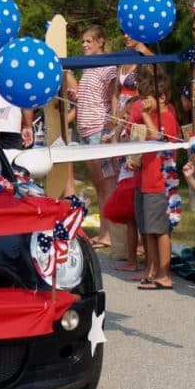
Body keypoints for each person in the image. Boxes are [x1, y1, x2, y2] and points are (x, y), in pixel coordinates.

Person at [127, 70, 180, 290]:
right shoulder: (156, 117)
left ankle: (164, 274)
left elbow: (160, 139)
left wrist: (147, 115)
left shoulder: (166, 117)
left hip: (160, 183)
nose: (144, 102)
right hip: (148, 180)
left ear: (161, 98)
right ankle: (154, 270)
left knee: (160, 230)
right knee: (149, 230)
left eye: (148, 97)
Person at [74, 24, 118, 249]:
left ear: (101, 41)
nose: (84, 45)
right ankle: (104, 231)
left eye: (89, 41)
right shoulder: (87, 67)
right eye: (83, 42)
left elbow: (112, 96)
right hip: (85, 131)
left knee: (106, 184)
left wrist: (112, 125)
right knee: (98, 186)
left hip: (99, 131)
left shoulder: (108, 65)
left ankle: (109, 233)